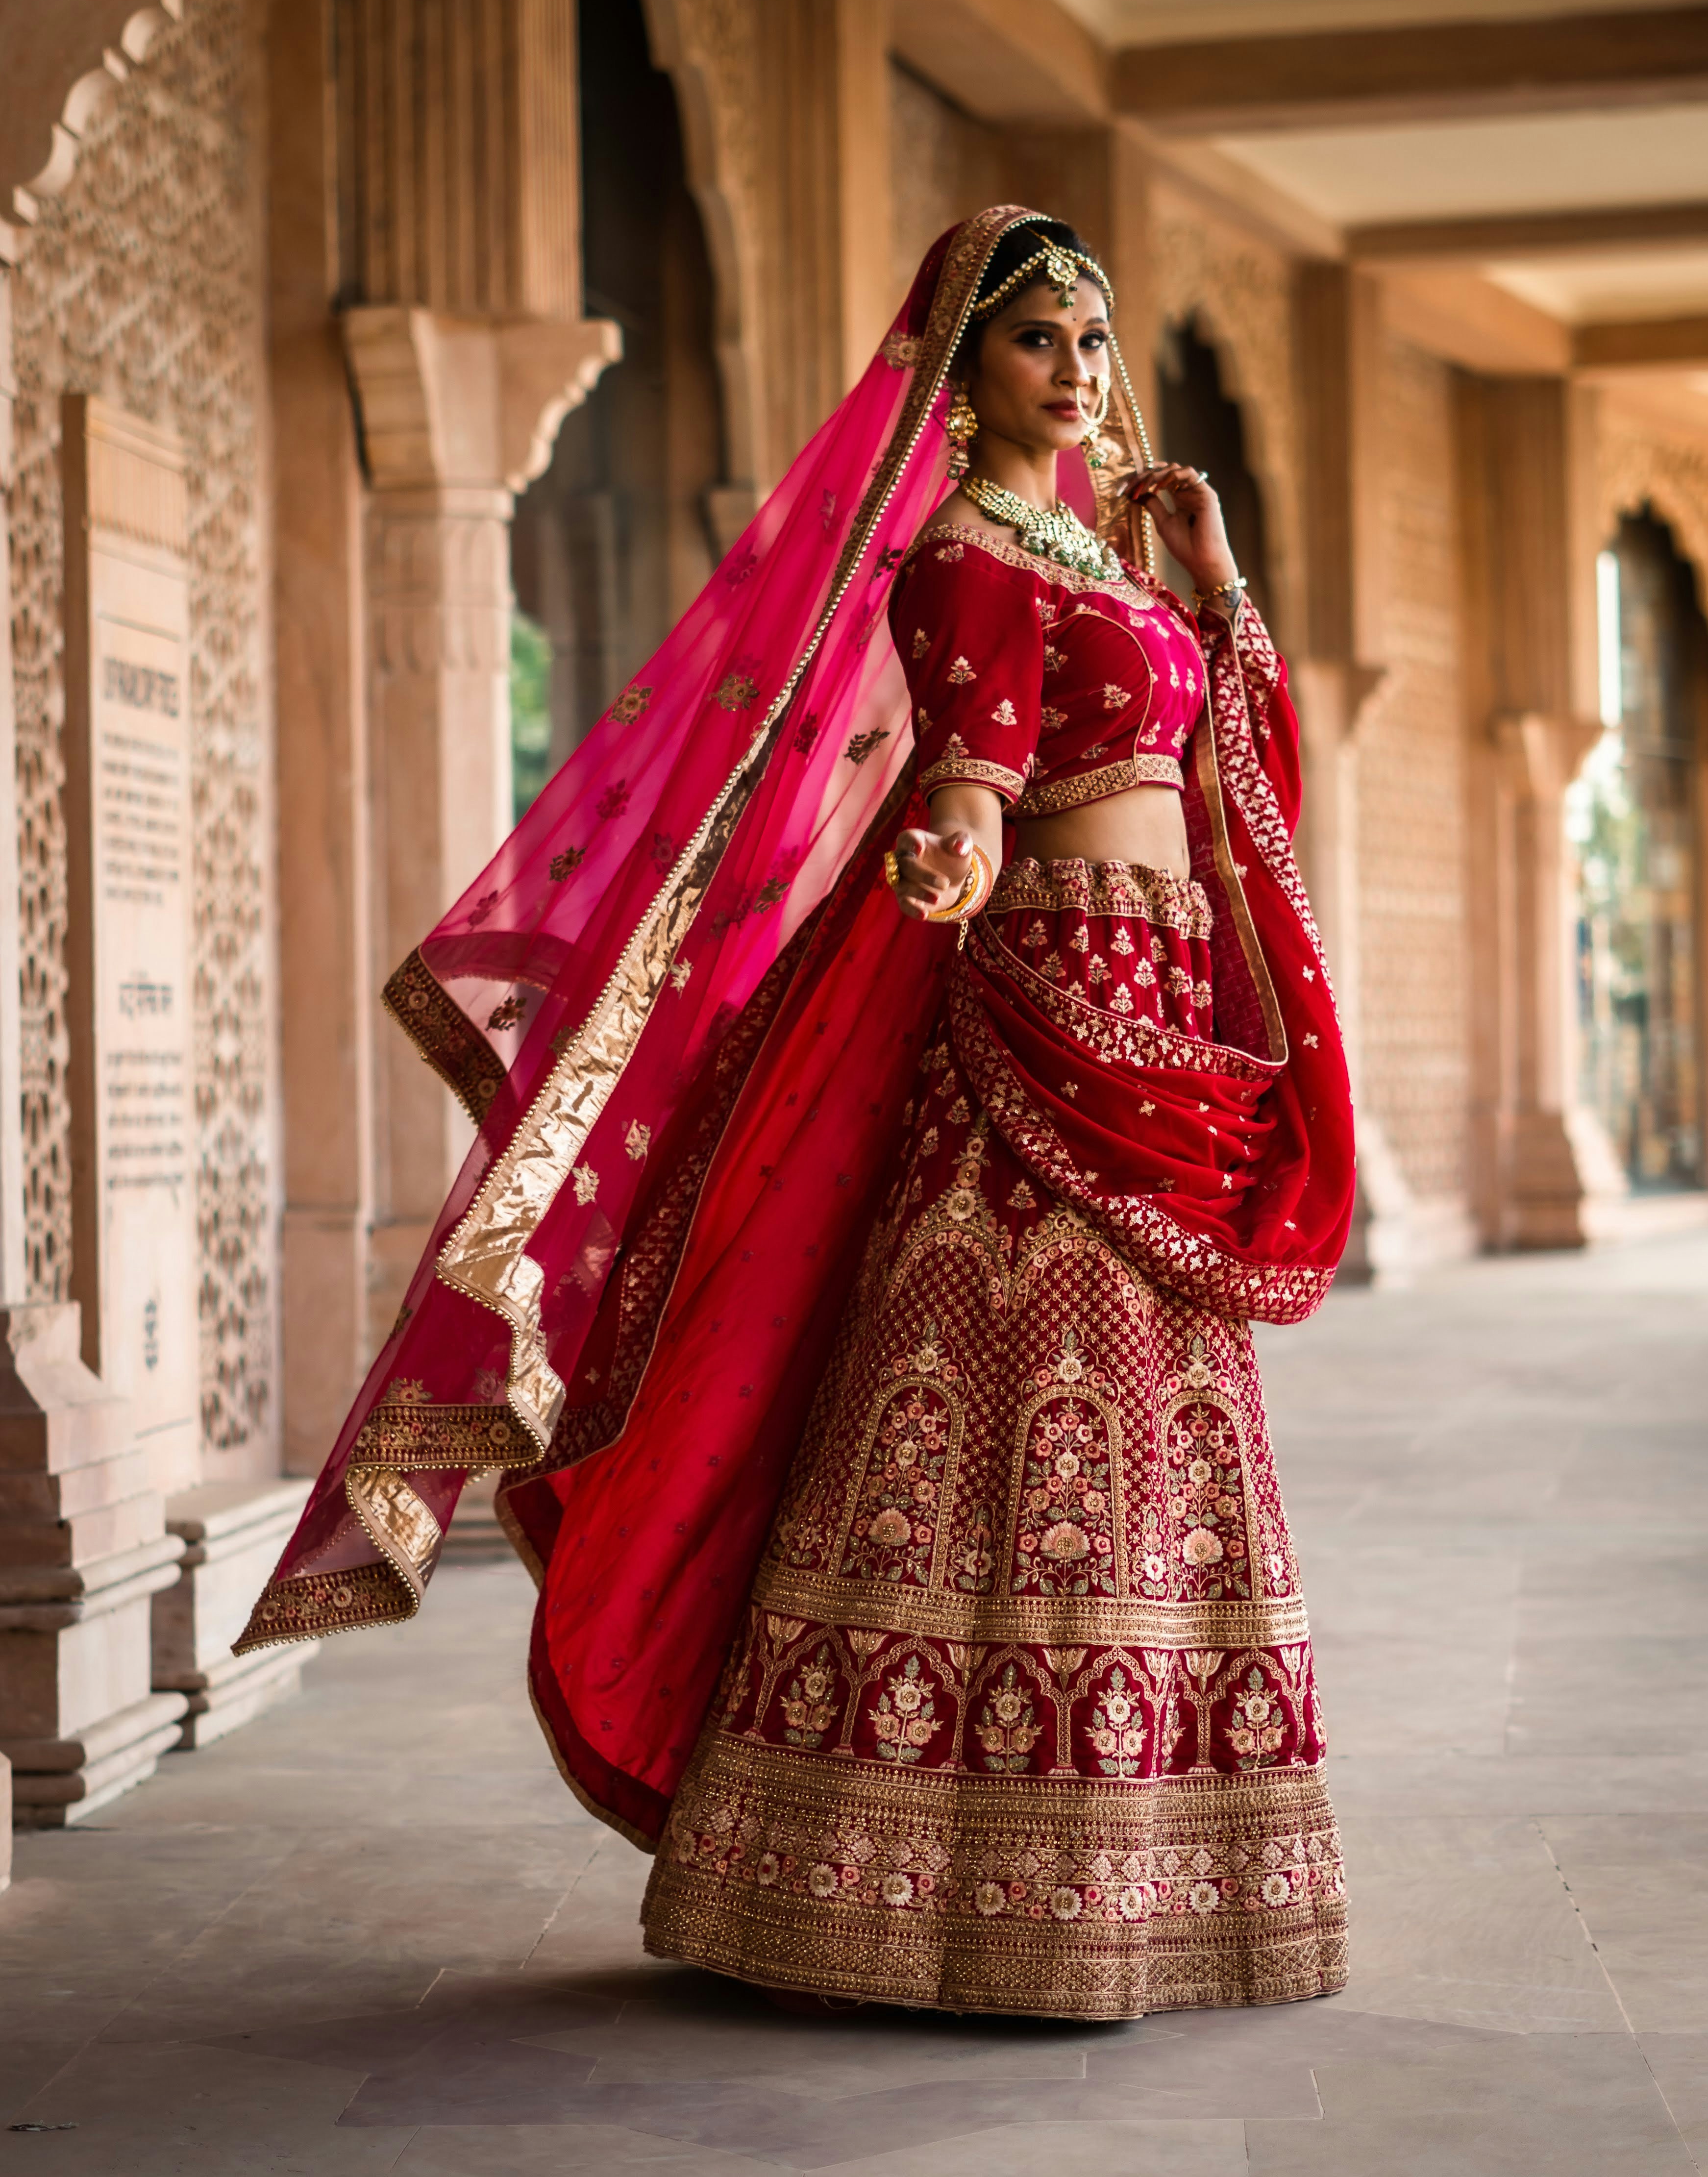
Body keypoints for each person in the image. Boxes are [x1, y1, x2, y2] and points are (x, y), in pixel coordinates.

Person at [238, 207, 1354, 2022]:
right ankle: (903, 1879)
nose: (1075, 371)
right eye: (1034, 343)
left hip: (1151, 1025)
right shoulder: (963, 561)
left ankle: (1158, 1869)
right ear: (957, 369)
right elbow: (977, 776)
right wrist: (946, 853)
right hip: (1033, 1019)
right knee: (1006, 1405)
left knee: (1160, 1419)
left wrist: (1219, 589)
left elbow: (1229, 759)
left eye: (1088, 340)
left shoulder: (1117, 555)